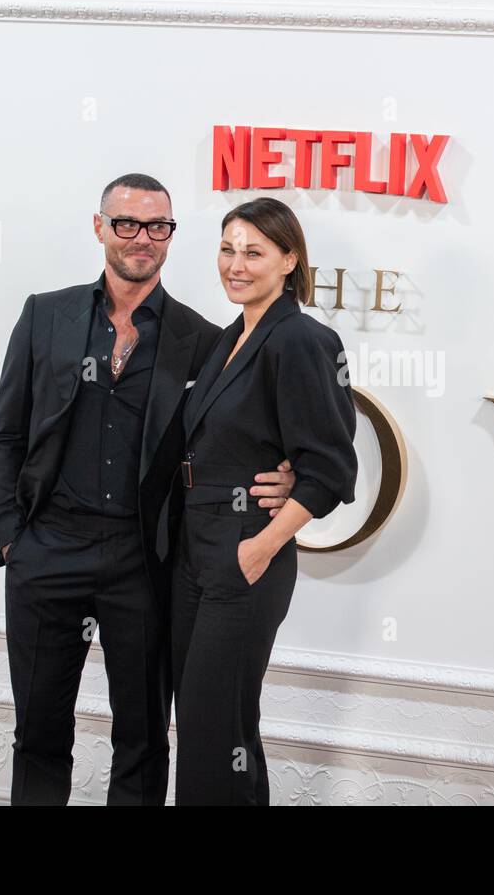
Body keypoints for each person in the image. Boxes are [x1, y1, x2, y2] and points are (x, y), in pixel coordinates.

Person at [0, 174, 296, 805]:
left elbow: (232, 438)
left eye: (159, 227)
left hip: (147, 562)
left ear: (171, 236)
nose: (142, 238)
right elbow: (6, 432)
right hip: (46, 552)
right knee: (39, 732)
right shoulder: (46, 314)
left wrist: (287, 473)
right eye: (126, 223)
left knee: (145, 736)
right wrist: (13, 536)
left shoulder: (205, 339)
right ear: (99, 227)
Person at [171, 197, 358, 805]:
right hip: (194, 552)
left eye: (253, 252)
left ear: (289, 259)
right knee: (219, 728)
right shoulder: (227, 338)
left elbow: (329, 469)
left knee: (209, 728)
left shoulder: (302, 339)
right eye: (228, 249)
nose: (236, 264)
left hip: (245, 552)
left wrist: (261, 545)